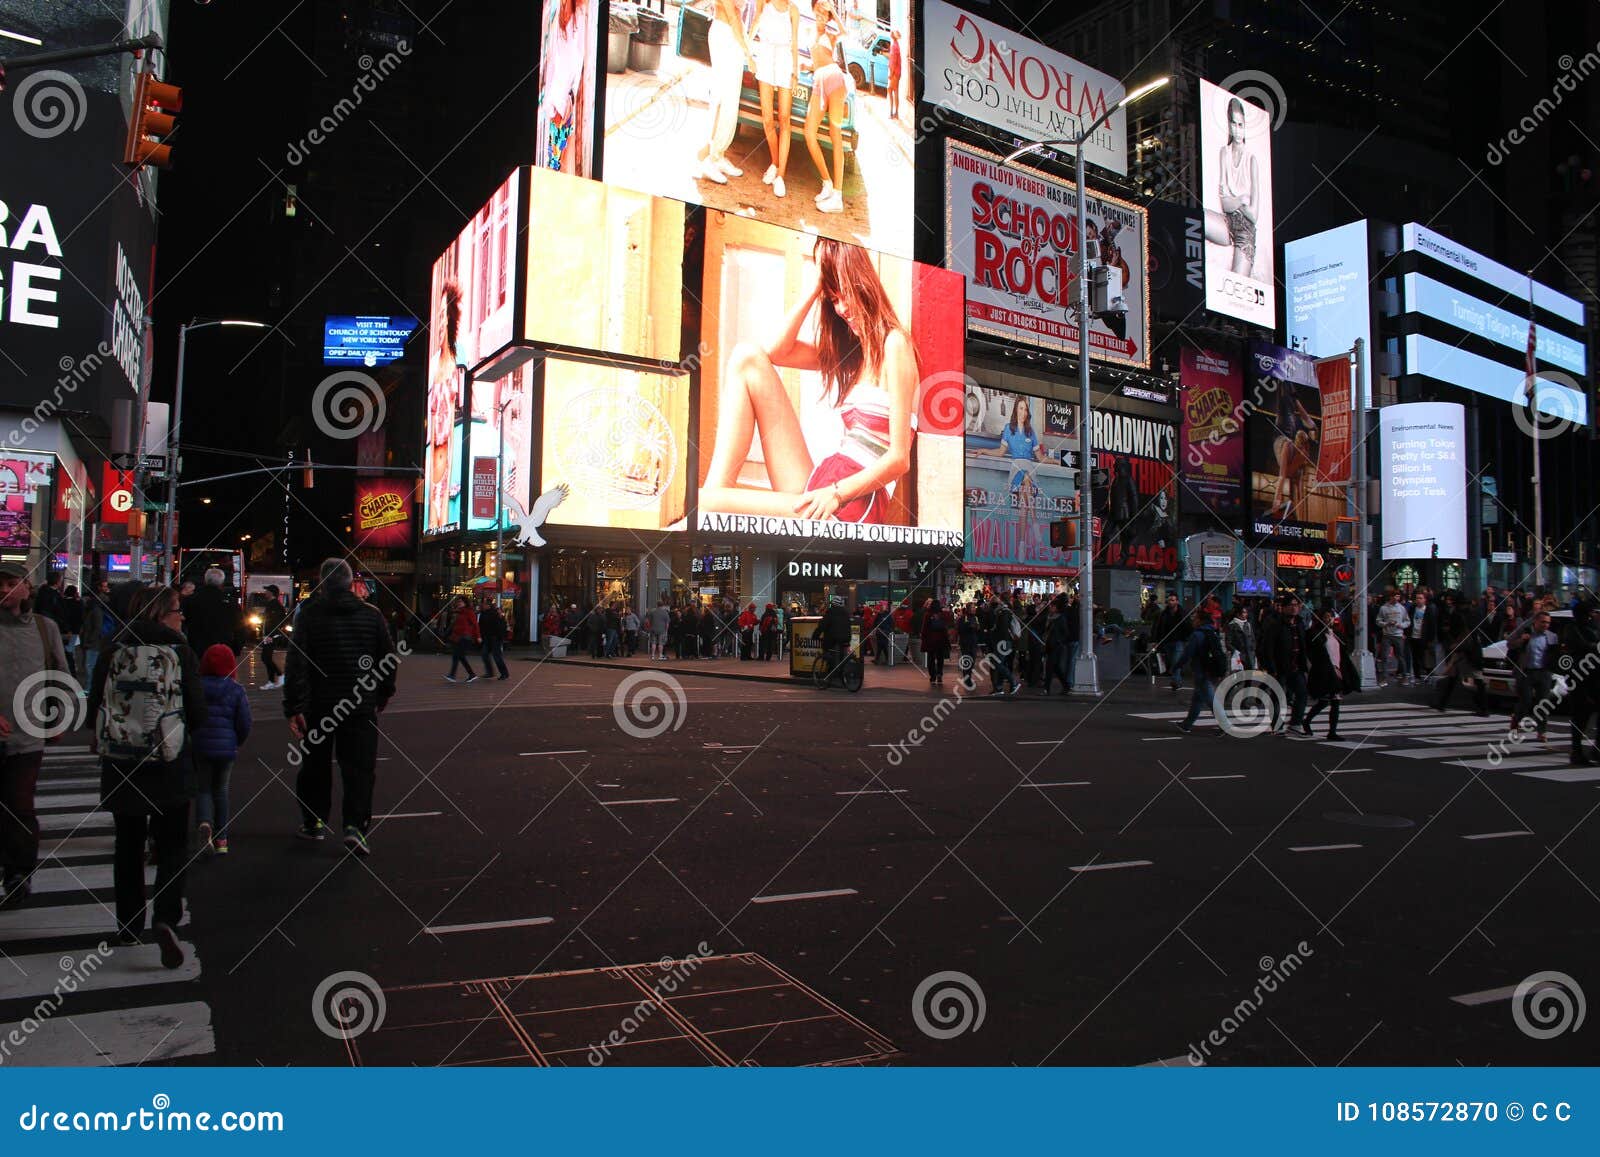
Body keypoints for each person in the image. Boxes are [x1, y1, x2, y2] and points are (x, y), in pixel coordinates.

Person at [702, 237, 918, 527]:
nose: (841, 309)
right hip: (822, 485)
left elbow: (899, 459)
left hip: (852, 504)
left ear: (862, 282)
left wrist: (836, 494)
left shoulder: (896, 344)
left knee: (704, 501)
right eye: (833, 299)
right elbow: (776, 352)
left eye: (845, 294)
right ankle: (715, 497)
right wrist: (815, 287)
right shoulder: (852, 355)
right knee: (746, 358)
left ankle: (711, 505)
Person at [86, 584, 206, 962]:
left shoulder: (112, 650)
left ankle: (128, 924)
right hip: (169, 762)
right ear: (160, 614)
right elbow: (198, 714)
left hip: (123, 763)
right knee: (172, 845)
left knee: (128, 844)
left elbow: (94, 710)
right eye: (176, 609)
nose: (182, 616)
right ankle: (166, 917)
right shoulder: (181, 652)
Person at [285, 558, 398, 855]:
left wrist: (293, 706)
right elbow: (386, 659)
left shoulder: (308, 616)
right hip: (359, 706)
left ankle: (314, 822)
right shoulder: (371, 615)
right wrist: (383, 693)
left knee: (314, 768)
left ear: (322, 583)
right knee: (359, 770)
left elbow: (296, 663)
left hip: (318, 706)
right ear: (350, 584)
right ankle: (354, 828)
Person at [0, 564, 69, 909]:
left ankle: (18, 873)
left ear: (27, 588)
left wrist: (56, 719)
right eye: (0, 584)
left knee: (19, 804)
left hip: (27, 735)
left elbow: (59, 674)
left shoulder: (45, 629)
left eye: (11, 584)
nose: (4, 590)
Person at [193, 643, 252, 856]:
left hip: (200, 745)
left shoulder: (196, 686)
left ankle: (204, 823)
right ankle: (222, 839)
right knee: (221, 790)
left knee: (203, 788)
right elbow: (244, 721)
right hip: (226, 747)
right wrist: (237, 741)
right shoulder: (236, 689)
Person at [696, 0, 757, 186]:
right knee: (720, 98)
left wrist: (746, 46)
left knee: (730, 101)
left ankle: (718, 154)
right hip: (724, 34)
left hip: (733, 37)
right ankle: (706, 159)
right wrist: (749, 54)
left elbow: (739, 18)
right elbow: (732, 16)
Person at [1203, 95, 1262, 277]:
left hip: (1246, 232)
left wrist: (1232, 199)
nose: (1237, 130)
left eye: (1240, 125)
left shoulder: (1251, 159)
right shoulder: (1224, 152)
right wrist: (1241, 200)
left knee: (1238, 282)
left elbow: (1254, 215)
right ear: (1229, 125)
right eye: (1234, 124)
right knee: (1194, 217)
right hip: (1227, 222)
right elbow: (1225, 205)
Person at [803, 0, 850, 214]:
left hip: (833, 78)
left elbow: (845, 32)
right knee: (808, 133)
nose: (822, 13)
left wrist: (832, 9)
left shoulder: (831, 33)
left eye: (825, 11)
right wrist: (807, 66)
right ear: (813, 9)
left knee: (836, 136)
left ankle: (838, 197)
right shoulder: (808, 30)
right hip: (818, 80)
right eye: (819, 9)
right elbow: (816, 60)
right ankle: (827, 182)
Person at [537, 0, 592, 174]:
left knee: (555, 160)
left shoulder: (575, 16)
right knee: (555, 161)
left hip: (559, 100)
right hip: (558, 101)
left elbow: (567, 61)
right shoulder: (563, 14)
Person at [752, 0, 799, 198]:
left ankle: (780, 175)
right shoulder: (763, 2)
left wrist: (795, 73)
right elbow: (753, 25)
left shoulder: (793, 10)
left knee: (785, 120)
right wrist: (747, 54)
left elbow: (795, 44)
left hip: (784, 61)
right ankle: (775, 163)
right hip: (765, 57)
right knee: (768, 119)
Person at [1302, 607, 1356, 740]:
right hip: (1325, 671)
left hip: (1337, 670)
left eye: (1330, 616)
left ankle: (1326, 729)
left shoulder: (1335, 633)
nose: (1329, 619)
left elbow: (1343, 651)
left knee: (1330, 701)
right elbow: (1314, 653)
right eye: (1326, 616)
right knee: (1328, 700)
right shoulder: (1314, 633)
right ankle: (1319, 727)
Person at [1507, 610, 1560, 743]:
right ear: (1535, 622)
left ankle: (1541, 731)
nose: (1545, 625)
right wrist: (1521, 640)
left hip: (1544, 672)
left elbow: (1555, 653)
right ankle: (1516, 722)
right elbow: (1509, 643)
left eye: (1548, 623)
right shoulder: (1525, 632)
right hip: (1526, 671)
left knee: (1543, 703)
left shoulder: (1552, 636)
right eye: (1542, 622)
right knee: (1526, 701)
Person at [1561, 599, 1600, 766]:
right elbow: (1583, 646)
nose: (1593, 615)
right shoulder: (1572, 628)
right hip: (1579, 676)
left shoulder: (1592, 627)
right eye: (1591, 612)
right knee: (1580, 716)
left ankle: (1596, 750)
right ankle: (1576, 752)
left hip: (1594, 676)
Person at [1174, 609, 1226, 732]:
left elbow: (1187, 654)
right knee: (1197, 699)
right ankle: (1186, 724)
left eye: (1195, 618)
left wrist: (1176, 666)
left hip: (1201, 670)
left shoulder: (1197, 635)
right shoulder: (1212, 632)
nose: (1193, 620)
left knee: (1210, 699)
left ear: (1200, 621)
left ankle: (1225, 724)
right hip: (1210, 669)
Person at [184, 567, 241, 657]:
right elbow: (240, 627)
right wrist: (236, 648)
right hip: (223, 647)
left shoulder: (191, 600)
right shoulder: (231, 602)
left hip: (196, 646)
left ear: (205, 581)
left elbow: (184, 622)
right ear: (222, 583)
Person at [812, 595, 853, 678]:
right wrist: (848, 640)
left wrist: (815, 636)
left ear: (833, 604)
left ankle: (830, 669)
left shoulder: (830, 612)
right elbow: (849, 626)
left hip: (833, 638)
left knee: (826, 649)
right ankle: (843, 674)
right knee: (842, 655)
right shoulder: (846, 613)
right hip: (846, 638)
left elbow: (822, 626)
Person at [1155, 593, 1189, 692]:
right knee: (1171, 662)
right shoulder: (1164, 614)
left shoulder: (1182, 613)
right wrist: (1157, 640)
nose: (1171, 602)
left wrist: (1186, 638)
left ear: (1177, 601)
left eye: (1173, 600)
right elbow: (1159, 627)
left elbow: (1188, 626)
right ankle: (1177, 680)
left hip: (1179, 641)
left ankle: (1176, 681)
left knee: (1176, 662)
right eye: (1169, 600)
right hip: (1168, 641)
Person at [1375, 590, 1411, 686]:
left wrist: (1400, 625)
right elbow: (1378, 621)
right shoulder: (1383, 608)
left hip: (1398, 635)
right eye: (1394, 596)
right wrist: (1386, 623)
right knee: (1385, 657)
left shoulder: (1402, 608)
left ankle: (1405, 677)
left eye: (1398, 596)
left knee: (1400, 657)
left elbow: (1407, 622)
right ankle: (1384, 679)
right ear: (1390, 597)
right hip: (1387, 635)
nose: (1396, 598)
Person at [987, 596, 1020, 696]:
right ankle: (999, 687)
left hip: (1003, 642)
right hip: (1003, 642)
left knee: (997, 663)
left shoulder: (1004, 612)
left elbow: (1003, 629)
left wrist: (994, 631)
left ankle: (1013, 682)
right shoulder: (1002, 612)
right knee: (1000, 663)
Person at [444, 595, 480, 682]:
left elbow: (475, 625)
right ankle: (470, 674)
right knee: (458, 656)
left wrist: (478, 636)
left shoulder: (469, 612)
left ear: (465, 603)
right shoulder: (459, 612)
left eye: (460, 602)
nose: (459, 603)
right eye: (458, 602)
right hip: (457, 637)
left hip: (465, 637)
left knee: (458, 655)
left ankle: (456, 675)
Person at [258, 584, 287, 690]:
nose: (265, 593)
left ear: (271, 593)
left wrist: (271, 635)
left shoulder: (275, 605)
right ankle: (279, 676)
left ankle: (273, 679)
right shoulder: (271, 604)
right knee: (266, 657)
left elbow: (278, 622)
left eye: (267, 591)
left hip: (271, 636)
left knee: (266, 657)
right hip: (268, 635)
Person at [920, 599, 951, 686]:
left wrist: (923, 637)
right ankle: (939, 673)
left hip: (930, 640)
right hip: (941, 640)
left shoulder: (928, 615)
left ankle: (932, 676)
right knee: (940, 658)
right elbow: (946, 625)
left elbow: (924, 628)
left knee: (931, 658)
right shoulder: (942, 615)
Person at [1408, 590, 1436, 683]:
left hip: (1423, 637)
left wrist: (1430, 638)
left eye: (1420, 598)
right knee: (1415, 656)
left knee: (1424, 656)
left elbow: (1432, 625)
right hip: (1413, 636)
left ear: (1425, 600)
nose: (1418, 600)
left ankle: (1426, 674)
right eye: (1417, 598)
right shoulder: (1412, 608)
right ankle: (1417, 675)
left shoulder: (1429, 609)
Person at [478, 599, 510, 680]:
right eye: (483, 604)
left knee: (497, 656)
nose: (483, 606)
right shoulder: (483, 613)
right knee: (484, 654)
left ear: (488, 605)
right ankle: (490, 672)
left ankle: (504, 673)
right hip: (487, 638)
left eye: (484, 604)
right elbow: (481, 626)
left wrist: (501, 637)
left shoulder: (495, 613)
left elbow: (501, 625)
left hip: (495, 638)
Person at [1226, 602, 1256, 671]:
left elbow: (1253, 639)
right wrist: (1235, 651)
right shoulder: (1232, 625)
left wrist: (1253, 649)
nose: (1246, 614)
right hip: (1238, 656)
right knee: (1239, 677)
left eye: (1246, 612)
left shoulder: (1248, 625)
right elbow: (1228, 642)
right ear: (1238, 614)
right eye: (1244, 612)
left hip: (1249, 655)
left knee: (1249, 676)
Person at [886, 28, 903, 120]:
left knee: (890, 90)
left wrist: (891, 73)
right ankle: (895, 113)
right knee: (895, 91)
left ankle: (892, 113)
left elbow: (893, 61)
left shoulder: (894, 46)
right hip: (897, 72)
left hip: (894, 72)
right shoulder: (896, 45)